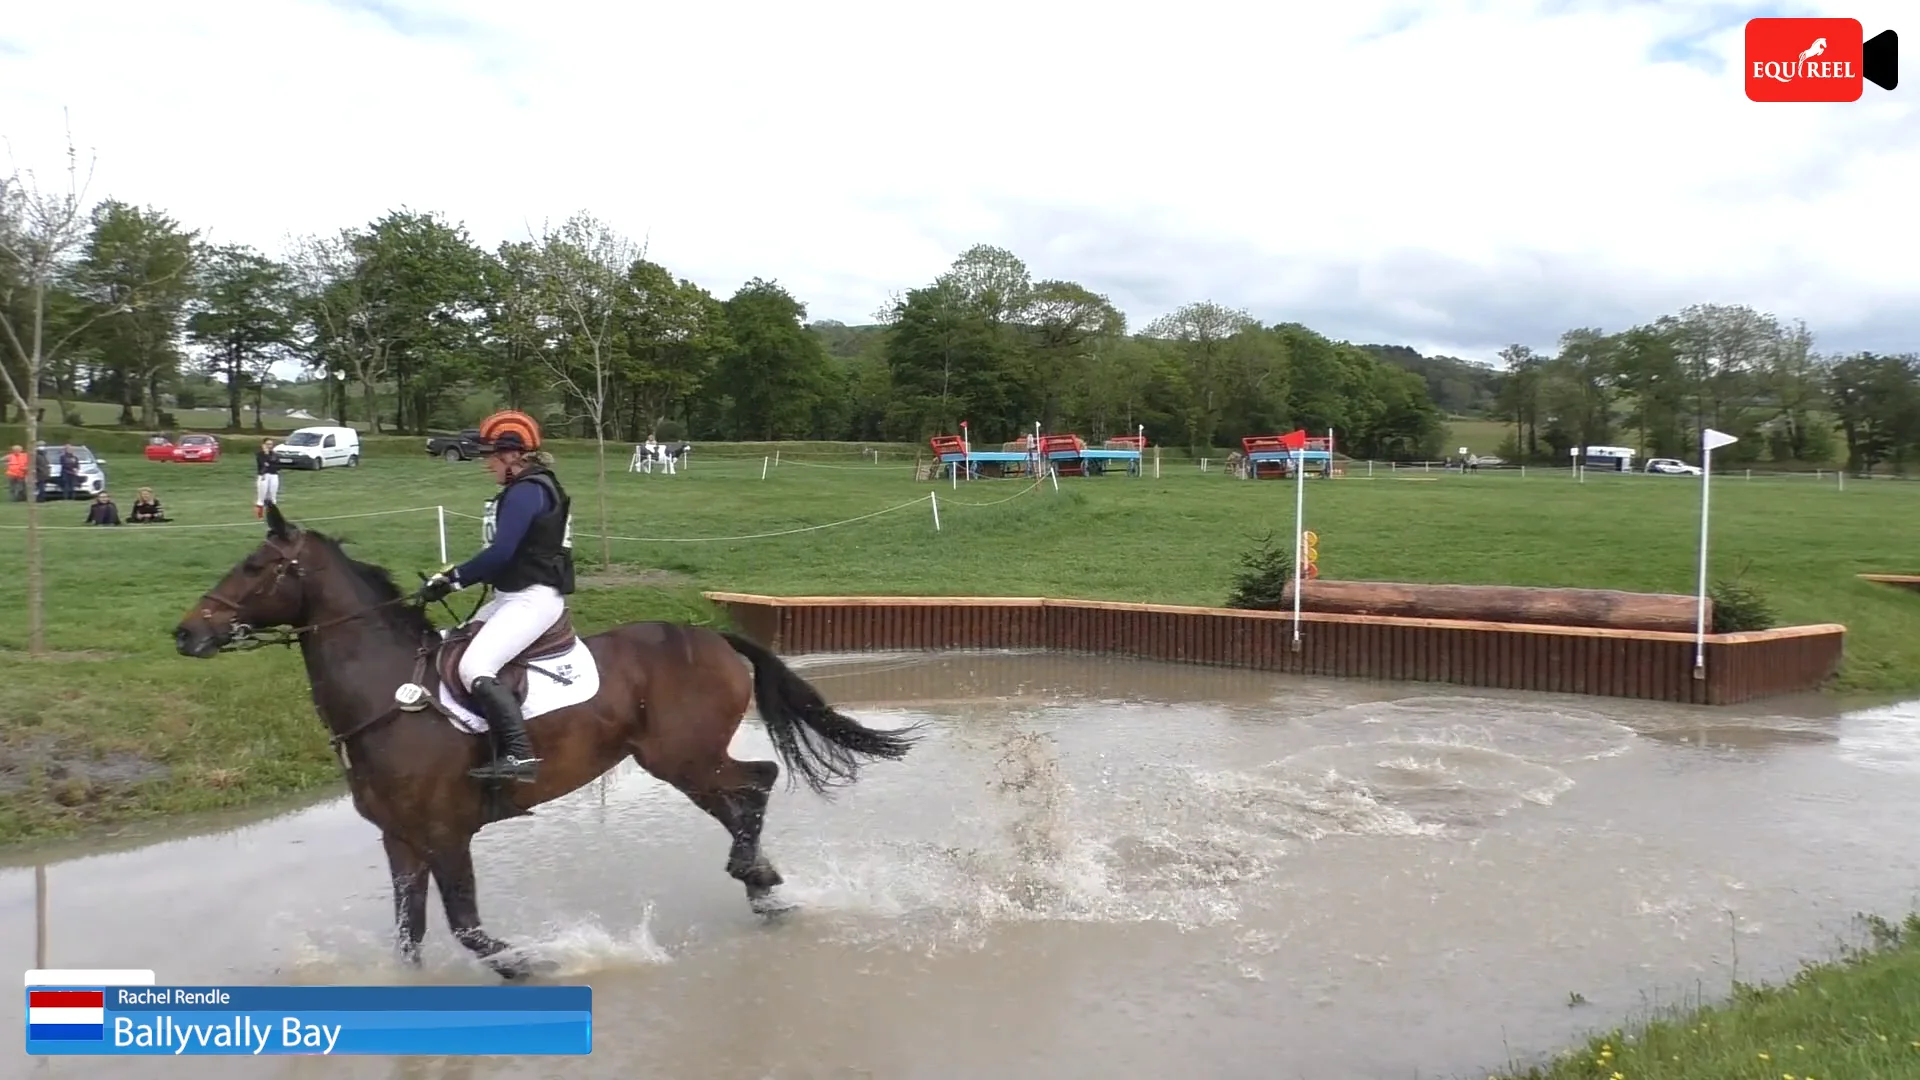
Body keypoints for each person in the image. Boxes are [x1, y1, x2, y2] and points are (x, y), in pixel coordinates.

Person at [418, 410, 575, 783]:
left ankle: (520, 756)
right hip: (513, 595)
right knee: (448, 644)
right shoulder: (527, 487)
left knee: (474, 667)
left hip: (532, 599)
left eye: (490, 456)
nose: (486, 464)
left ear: (512, 456)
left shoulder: (527, 491)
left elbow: (501, 553)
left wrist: (453, 580)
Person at [254, 438, 281, 518]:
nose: (269, 446)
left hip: (274, 475)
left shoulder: (275, 454)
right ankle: (260, 515)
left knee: (272, 496)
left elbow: (278, 465)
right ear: (263, 445)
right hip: (264, 475)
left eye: (271, 444)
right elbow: (263, 463)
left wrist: (269, 462)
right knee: (262, 496)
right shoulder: (260, 454)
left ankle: (272, 515)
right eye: (267, 444)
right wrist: (266, 455)